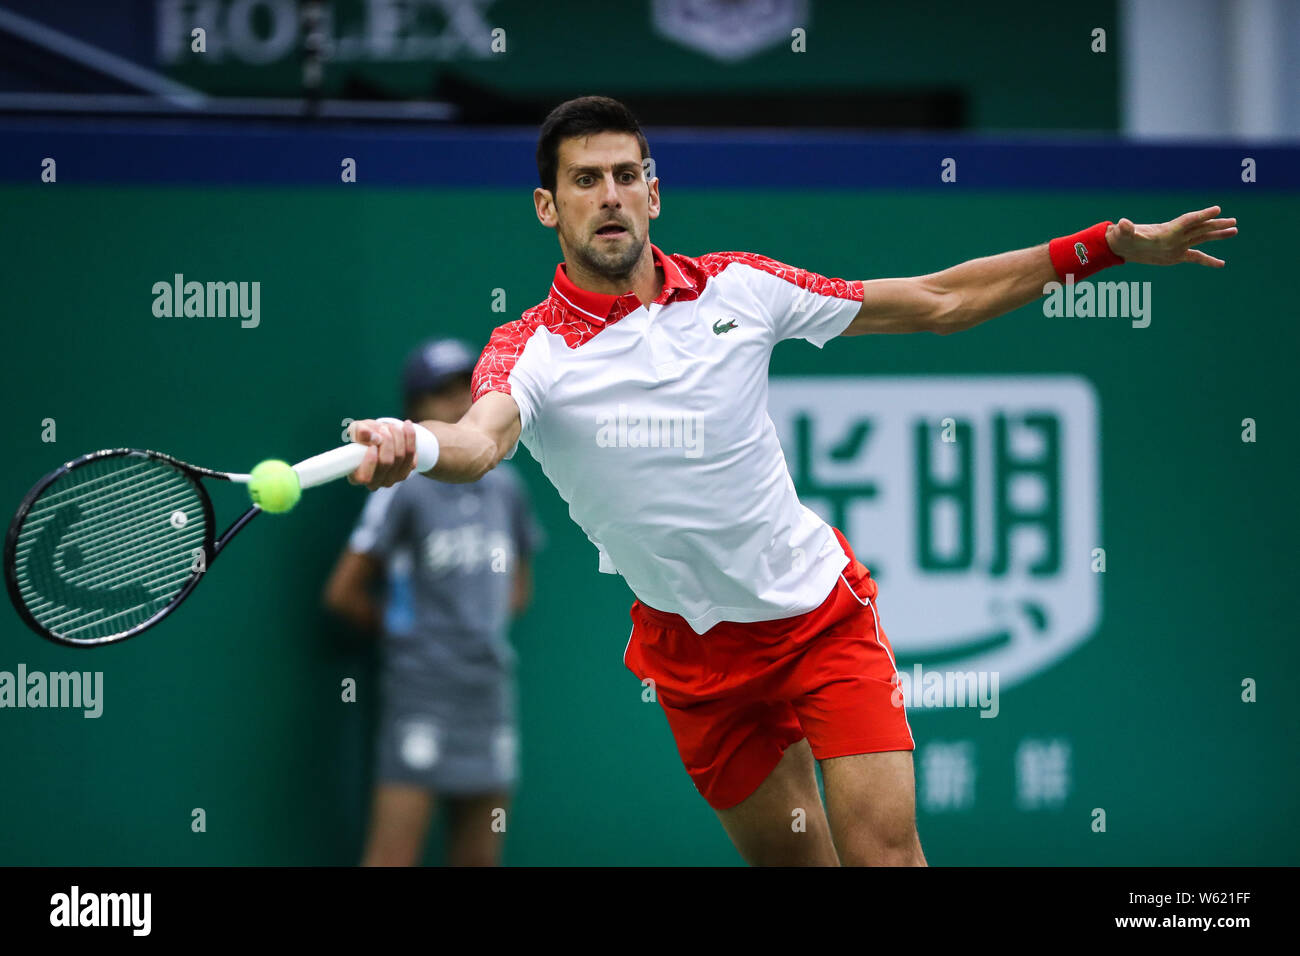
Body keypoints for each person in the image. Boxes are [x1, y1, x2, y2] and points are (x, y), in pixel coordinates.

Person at [341, 97, 1236, 866]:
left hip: (819, 619)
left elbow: (938, 302)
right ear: (548, 206)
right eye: (585, 180)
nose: (609, 195)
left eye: (625, 175)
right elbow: (478, 441)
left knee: (884, 854)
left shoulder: (741, 288)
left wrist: (1102, 249)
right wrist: (412, 443)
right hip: (695, 658)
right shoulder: (529, 349)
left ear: (654, 192)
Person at [324, 338, 542, 866]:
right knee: (392, 857)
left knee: (479, 859)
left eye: (465, 387)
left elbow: (519, 586)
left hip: (488, 690)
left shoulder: (506, 487)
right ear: (414, 409)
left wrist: (476, 628)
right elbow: (343, 593)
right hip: (419, 694)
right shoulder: (403, 488)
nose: (458, 401)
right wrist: (411, 633)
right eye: (440, 392)